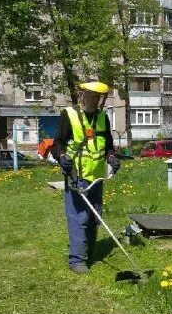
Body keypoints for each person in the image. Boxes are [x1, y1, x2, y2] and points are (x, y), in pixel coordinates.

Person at [50, 81, 120, 273]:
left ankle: (90, 253)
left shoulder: (103, 118)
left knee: (94, 216)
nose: (95, 99)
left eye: (98, 96)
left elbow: (108, 146)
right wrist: (62, 157)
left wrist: (112, 158)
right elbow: (57, 144)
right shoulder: (69, 115)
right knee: (79, 217)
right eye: (92, 95)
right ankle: (77, 260)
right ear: (82, 95)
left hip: (97, 177)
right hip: (77, 176)